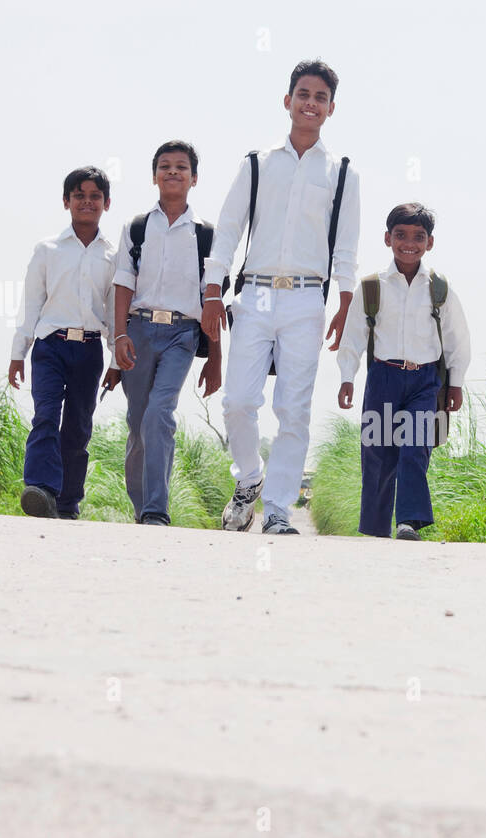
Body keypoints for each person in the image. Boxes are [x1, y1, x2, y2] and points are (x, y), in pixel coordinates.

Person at [202, 59, 360, 535]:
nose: (310, 103)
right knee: (237, 402)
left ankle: (276, 511)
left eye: (320, 98)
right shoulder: (256, 164)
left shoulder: (343, 173)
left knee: (294, 409)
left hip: (308, 300)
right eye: (303, 94)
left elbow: (347, 244)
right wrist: (213, 289)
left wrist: (346, 303)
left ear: (332, 109)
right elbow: (228, 229)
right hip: (255, 295)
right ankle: (249, 479)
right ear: (287, 100)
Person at [337, 203, 470, 540]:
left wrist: (455, 384)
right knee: (378, 454)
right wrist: (347, 378)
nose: (409, 243)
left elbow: (456, 338)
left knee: (416, 446)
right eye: (401, 235)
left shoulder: (439, 287)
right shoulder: (371, 286)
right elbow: (353, 336)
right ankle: (376, 529)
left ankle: (408, 521)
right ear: (387, 238)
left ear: (430, 242)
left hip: (425, 381)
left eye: (418, 237)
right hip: (383, 377)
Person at [112, 140, 221, 526]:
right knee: (138, 421)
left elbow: (214, 301)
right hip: (138, 331)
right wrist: (118, 337)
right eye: (165, 166)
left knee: (160, 413)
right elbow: (123, 284)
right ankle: (142, 508)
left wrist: (216, 361)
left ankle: (157, 510)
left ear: (194, 178)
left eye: (181, 167)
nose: (173, 172)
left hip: (182, 335)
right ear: (154, 175)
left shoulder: (208, 235)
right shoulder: (137, 227)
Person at [9, 166, 119, 520]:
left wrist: (116, 360)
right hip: (49, 347)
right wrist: (18, 354)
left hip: (89, 350)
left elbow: (116, 312)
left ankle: (67, 502)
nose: (86, 202)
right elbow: (32, 303)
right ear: (66, 201)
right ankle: (39, 488)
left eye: (94, 197)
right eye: (79, 196)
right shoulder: (48, 250)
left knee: (78, 425)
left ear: (106, 203)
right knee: (45, 415)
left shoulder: (113, 256)